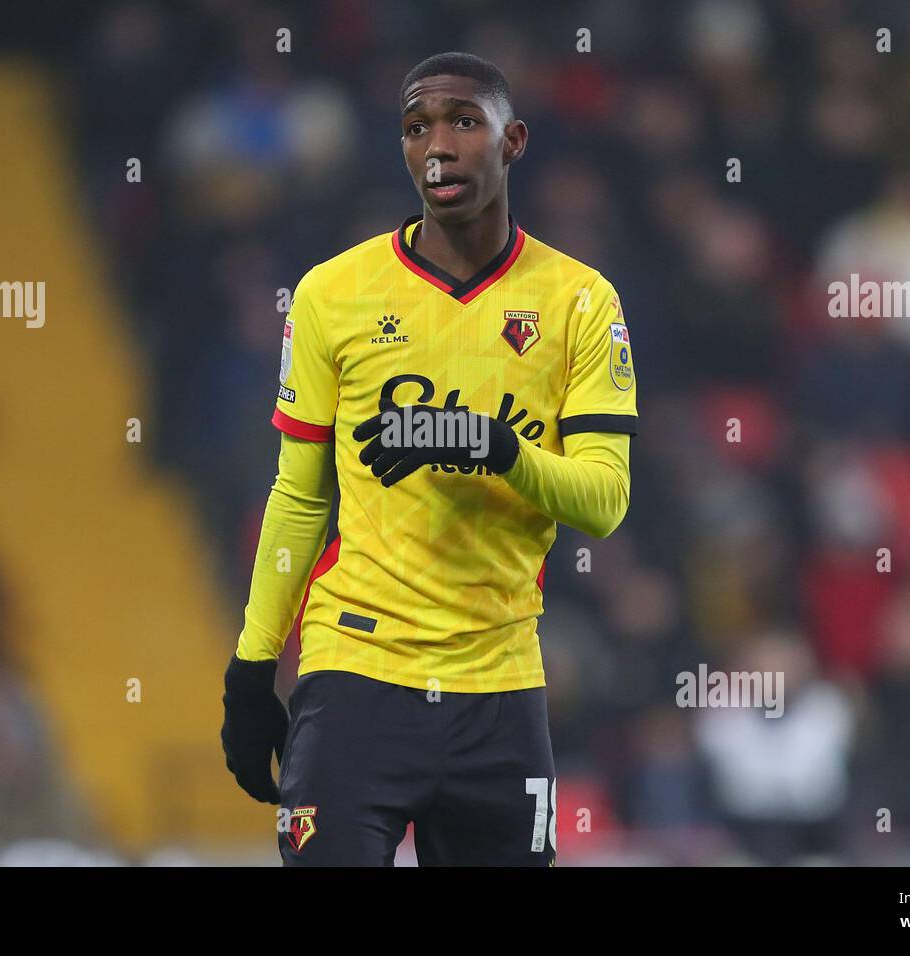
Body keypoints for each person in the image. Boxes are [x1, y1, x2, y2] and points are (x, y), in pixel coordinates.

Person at [221, 51, 637, 866]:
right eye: (417, 128)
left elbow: (605, 500)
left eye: (462, 122)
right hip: (356, 671)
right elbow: (300, 499)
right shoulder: (331, 295)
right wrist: (251, 667)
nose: (438, 145)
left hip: (501, 684)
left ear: (513, 140)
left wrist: (496, 447)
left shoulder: (581, 301)